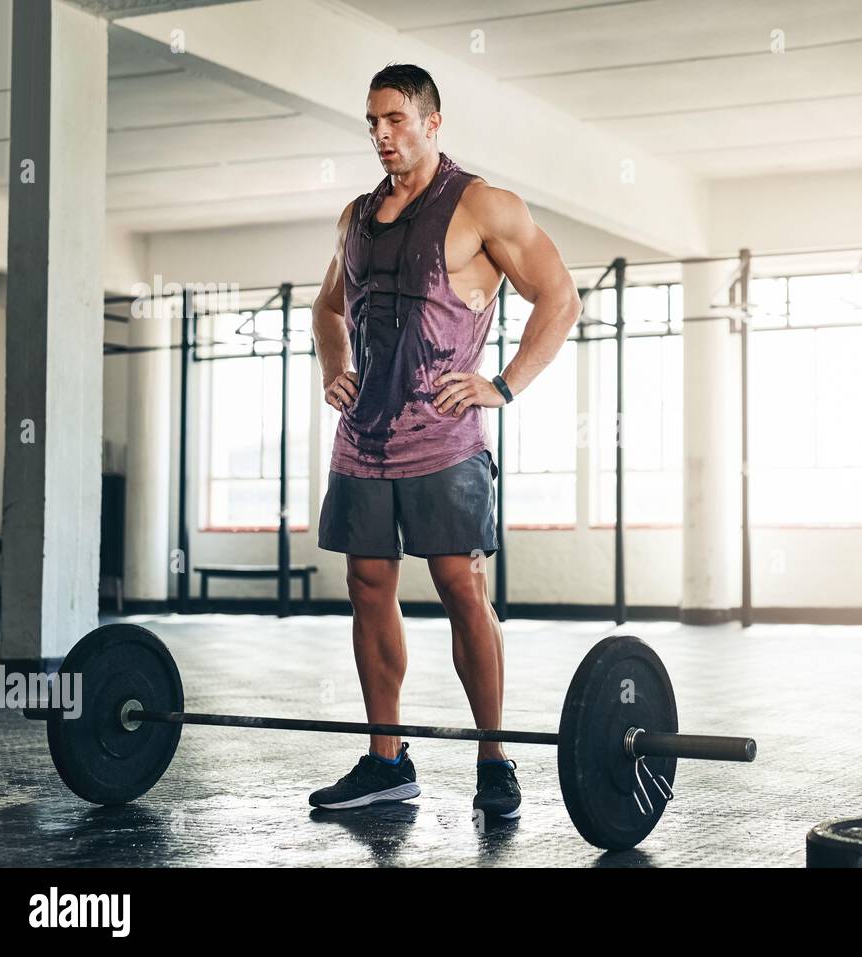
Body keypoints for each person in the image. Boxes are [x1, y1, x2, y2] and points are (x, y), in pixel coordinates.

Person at [307, 64, 580, 818]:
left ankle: (494, 757)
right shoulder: (355, 216)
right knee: (368, 587)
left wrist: (505, 384)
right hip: (364, 440)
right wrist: (337, 367)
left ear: (432, 122)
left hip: (444, 438)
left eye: (394, 119)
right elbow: (328, 307)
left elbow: (560, 296)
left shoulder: (483, 205)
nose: (380, 135)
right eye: (371, 122)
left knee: (461, 586)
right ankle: (386, 758)